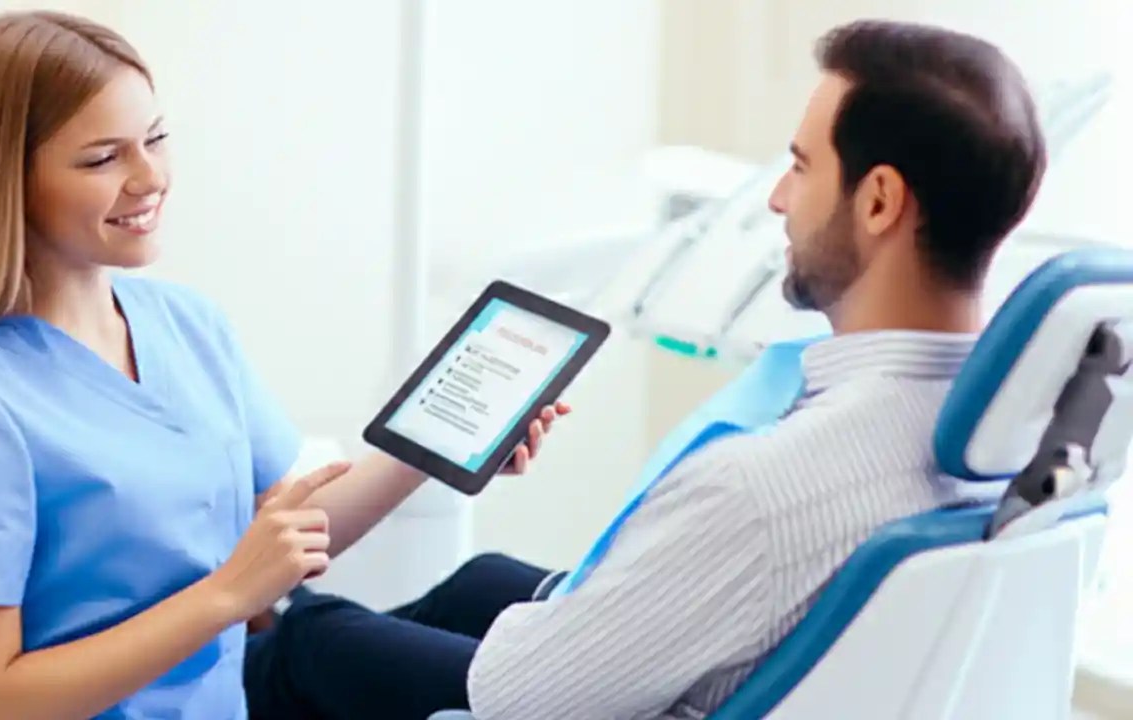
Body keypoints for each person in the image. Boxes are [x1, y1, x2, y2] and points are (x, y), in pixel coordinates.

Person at [247, 19, 1050, 720]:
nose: (776, 198)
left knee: (310, 638)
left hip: (600, 695)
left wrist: (566, 621)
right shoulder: (1020, 436)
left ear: (878, 202)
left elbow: (517, 697)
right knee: (481, 580)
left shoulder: (759, 486)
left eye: (801, 166)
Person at [0, 11, 567, 720]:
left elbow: (289, 531)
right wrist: (227, 594)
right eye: (102, 158)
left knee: (488, 586)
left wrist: (440, 445)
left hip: (228, 701)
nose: (151, 178)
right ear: (6, 180)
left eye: (156, 139)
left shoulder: (186, 325)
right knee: (346, 645)